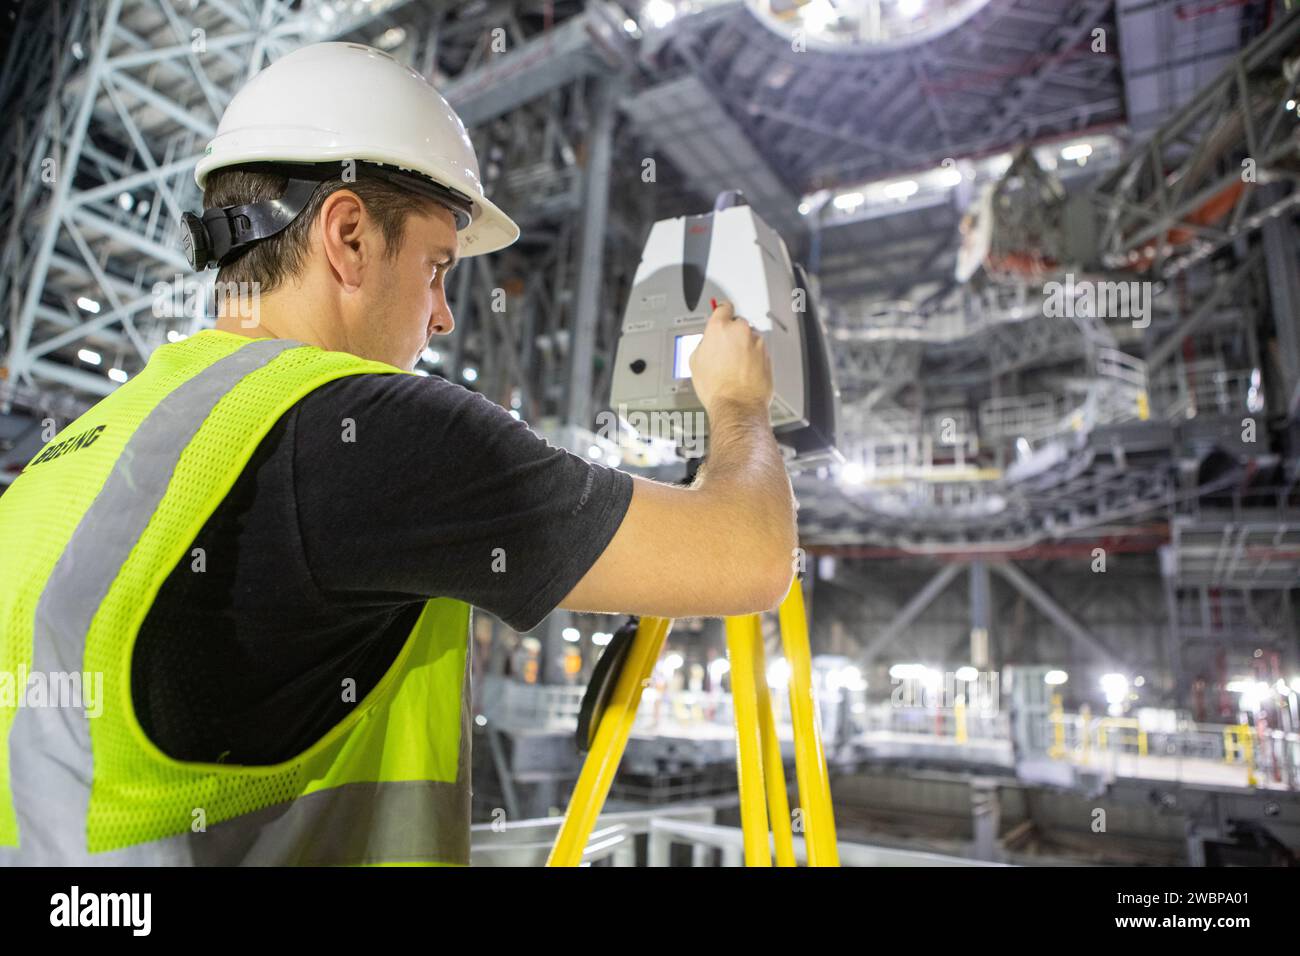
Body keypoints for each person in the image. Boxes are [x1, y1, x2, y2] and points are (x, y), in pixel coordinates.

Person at [0, 42, 795, 866]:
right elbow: (753, 555)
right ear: (348, 237)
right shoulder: (365, 427)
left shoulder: (81, 453)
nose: (444, 316)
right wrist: (739, 405)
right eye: (437, 268)